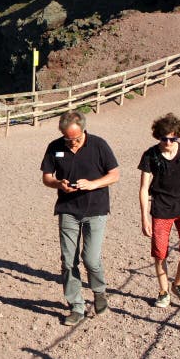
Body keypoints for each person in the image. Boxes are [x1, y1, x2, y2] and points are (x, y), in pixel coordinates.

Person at [40, 111, 120, 326]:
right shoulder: (54, 147)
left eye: (76, 138)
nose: (72, 143)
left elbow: (115, 175)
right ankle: (76, 305)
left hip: (96, 209)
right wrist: (58, 184)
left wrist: (93, 184)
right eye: (67, 139)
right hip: (68, 209)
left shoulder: (99, 145)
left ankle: (99, 291)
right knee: (68, 261)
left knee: (91, 259)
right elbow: (47, 177)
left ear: (84, 130)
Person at [138, 113, 180, 308]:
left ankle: (178, 284)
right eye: (164, 138)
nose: (168, 142)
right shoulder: (150, 155)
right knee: (160, 254)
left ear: (178, 136)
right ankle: (163, 291)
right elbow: (143, 189)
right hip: (160, 210)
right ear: (157, 137)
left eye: (172, 138)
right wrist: (144, 218)